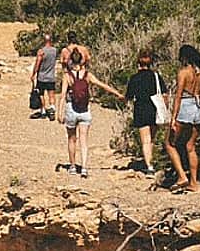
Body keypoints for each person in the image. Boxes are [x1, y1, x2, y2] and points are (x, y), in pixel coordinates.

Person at [56, 47, 123, 178]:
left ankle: (73, 166)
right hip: (85, 109)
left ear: (70, 61)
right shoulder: (88, 75)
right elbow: (102, 85)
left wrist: (59, 112)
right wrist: (118, 94)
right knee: (84, 140)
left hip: (71, 108)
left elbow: (63, 95)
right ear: (82, 60)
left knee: (72, 139)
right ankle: (85, 167)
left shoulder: (67, 76)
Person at [167, 44, 200, 191]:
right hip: (197, 106)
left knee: (169, 143)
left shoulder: (183, 73)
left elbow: (178, 95)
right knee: (190, 146)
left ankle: (182, 176)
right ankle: (194, 182)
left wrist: (173, 117)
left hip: (185, 106)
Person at [124, 48, 167, 175]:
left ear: (138, 63)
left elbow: (129, 96)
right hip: (154, 108)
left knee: (145, 140)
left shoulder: (134, 78)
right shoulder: (156, 76)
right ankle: (152, 161)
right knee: (152, 139)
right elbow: (164, 94)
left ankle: (149, 165)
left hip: (140, 109)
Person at [29, 32, 59, 120]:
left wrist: (34, 73)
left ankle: (43, 111)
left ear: (44, 40)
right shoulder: (54, 51)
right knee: (51, 94)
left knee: (41, 94)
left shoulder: (41, 51)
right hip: (51, 76)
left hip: (42, 77)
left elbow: (37, 64)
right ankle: (52, 109)